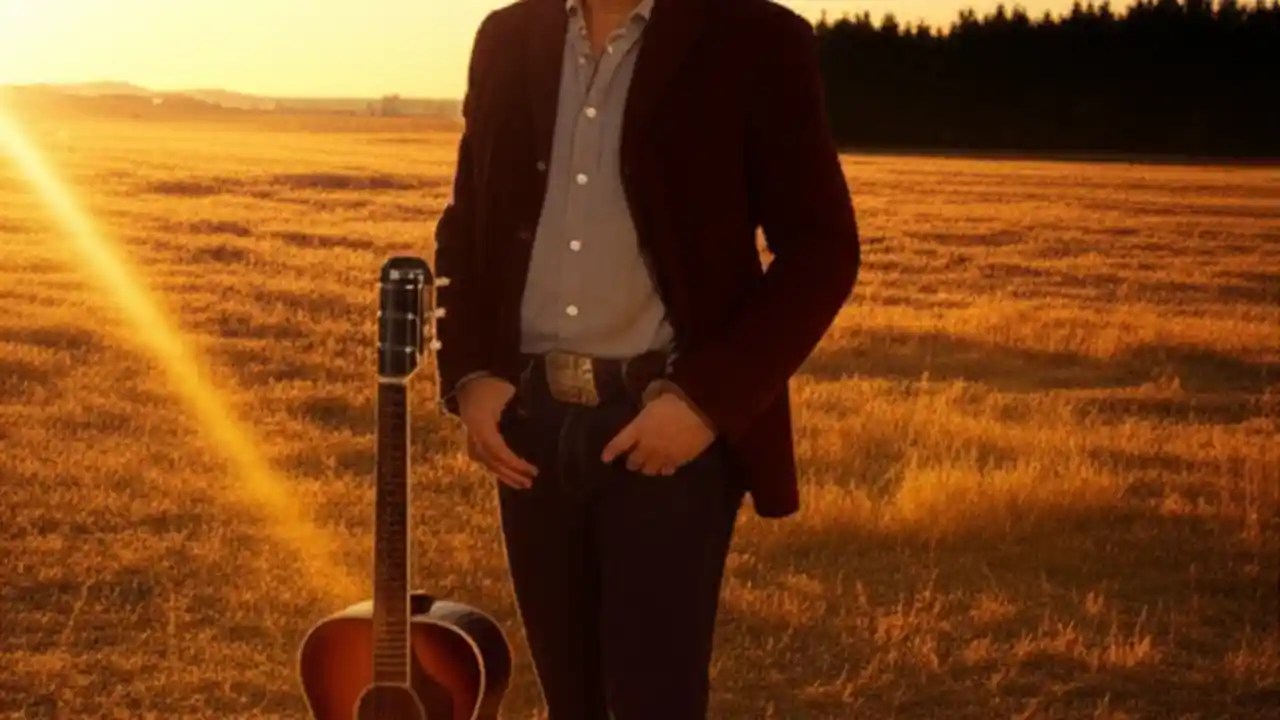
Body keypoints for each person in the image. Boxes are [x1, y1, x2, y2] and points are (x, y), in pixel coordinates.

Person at [433, 0, 859, 717]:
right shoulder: (506, 37)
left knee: (651, 702)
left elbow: (822, 249)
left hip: (664, 435)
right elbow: (466, 223)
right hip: (530, 429)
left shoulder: (756, 38)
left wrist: (702, 401)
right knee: (572, 701)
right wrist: (471, 376)